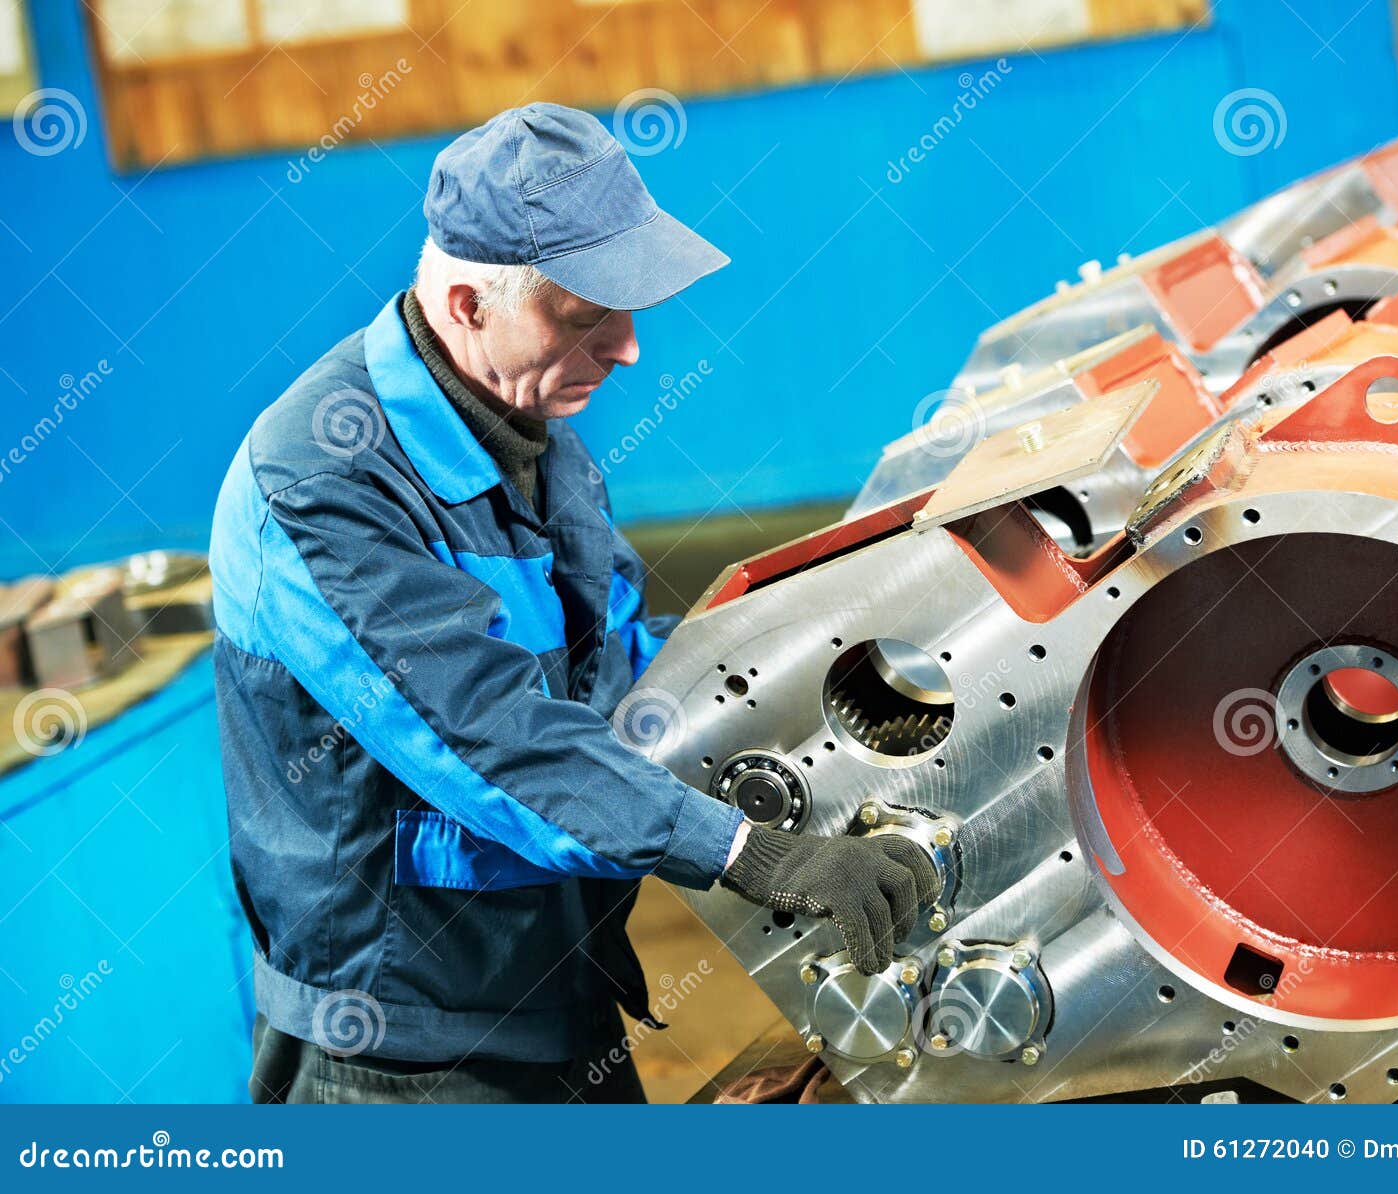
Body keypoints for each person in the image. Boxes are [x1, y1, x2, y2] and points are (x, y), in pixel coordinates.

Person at [209, 103, 937, 1104]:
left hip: (562, 993)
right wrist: (750, 853)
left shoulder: (532, 432)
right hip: (403, 1052)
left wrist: (842, 681)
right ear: (468, 304)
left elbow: (623, 671)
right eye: (587, 315)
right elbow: (488, 739)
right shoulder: (321, 480)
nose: (628, 348)